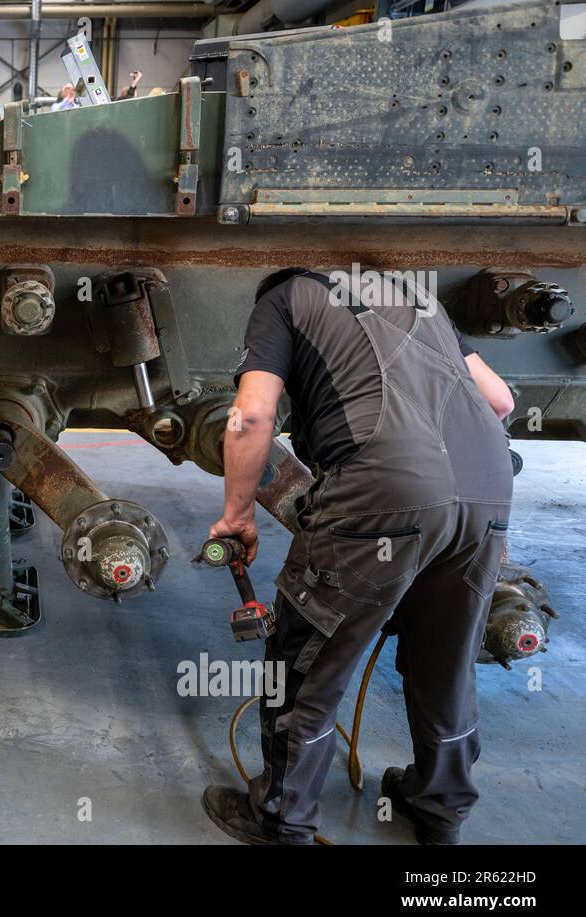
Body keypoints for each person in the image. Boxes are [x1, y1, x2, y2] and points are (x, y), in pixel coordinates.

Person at [202, 267, 516, 845]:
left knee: (308, 660)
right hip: (489, 487)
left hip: (383, 491)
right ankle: (438, 809)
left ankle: (281, 817)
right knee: (448, 657)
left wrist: (238, 515)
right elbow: (499, 400)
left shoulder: (281, 299)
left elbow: (250, 416)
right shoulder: (418, 296)